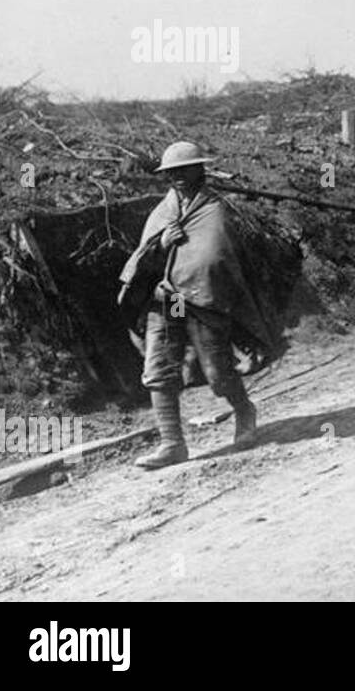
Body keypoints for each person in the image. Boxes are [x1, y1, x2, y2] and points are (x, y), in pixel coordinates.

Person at [118, 142, 269, 469]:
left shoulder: (216, 208)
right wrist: (162, 243)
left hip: (204, 302)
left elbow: (222, 259)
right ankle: (172, 444)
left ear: (200, 169)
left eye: (184, 170)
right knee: (158, 370)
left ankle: (245, 412)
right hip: (168, 300)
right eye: (172, 173)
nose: (178, 178)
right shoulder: (163, 211)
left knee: (218, 374)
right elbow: (144, 260)